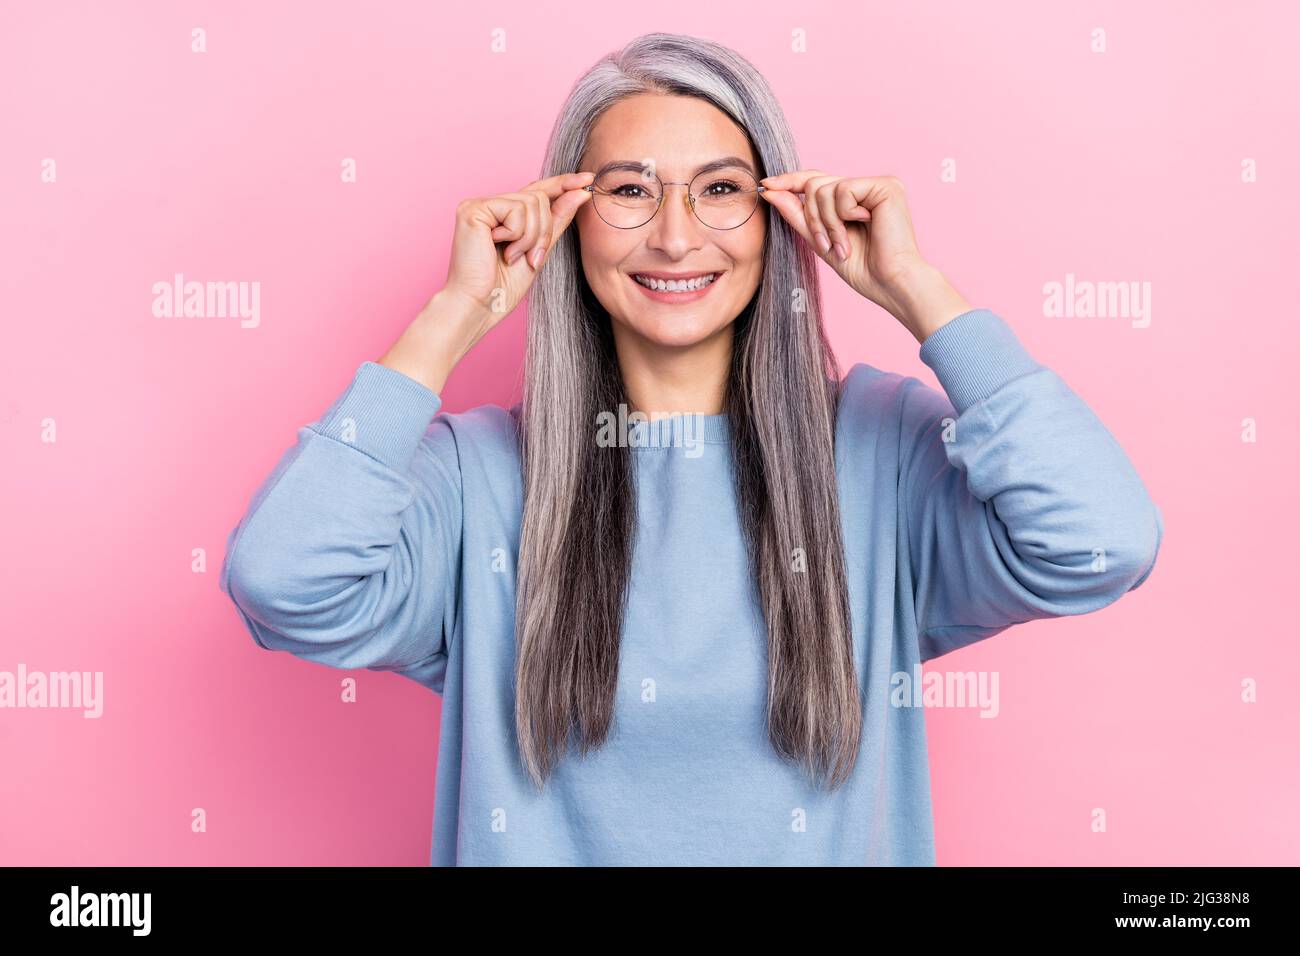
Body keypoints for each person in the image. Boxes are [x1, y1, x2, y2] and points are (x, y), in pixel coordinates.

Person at [220, 32, 1163, 865]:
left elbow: (1102, 541)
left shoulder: (882, 454)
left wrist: (919, 290)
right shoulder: (479, 483)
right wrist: (453, 314)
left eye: (720, 190)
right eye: (629, 191)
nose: (676, 238)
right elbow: (282, 578)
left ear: (778, 218)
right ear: (566, 219)